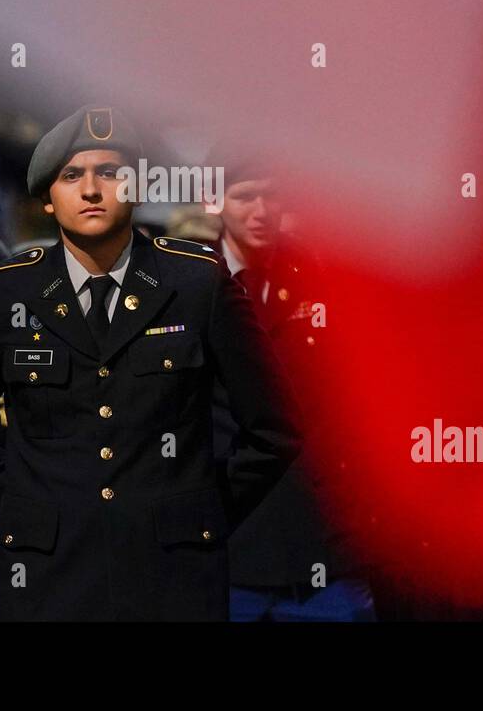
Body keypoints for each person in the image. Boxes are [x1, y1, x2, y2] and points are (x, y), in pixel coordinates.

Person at [0, 104, 301, 620]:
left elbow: (274, 427)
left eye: (110, 173)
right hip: (47, 583)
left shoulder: (197, 284)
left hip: (173, 580)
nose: (91, 189)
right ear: (49, 201)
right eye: (72, 175)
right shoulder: (5, 292)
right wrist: (29, 516)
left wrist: (199, 512)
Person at [209, 150, 375, 621]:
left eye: (271, 196)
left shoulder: (320, 278)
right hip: (229, 547)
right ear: (214, 202)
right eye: (245, 196)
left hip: (320, 545)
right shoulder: (188, 282)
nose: (261, 211)